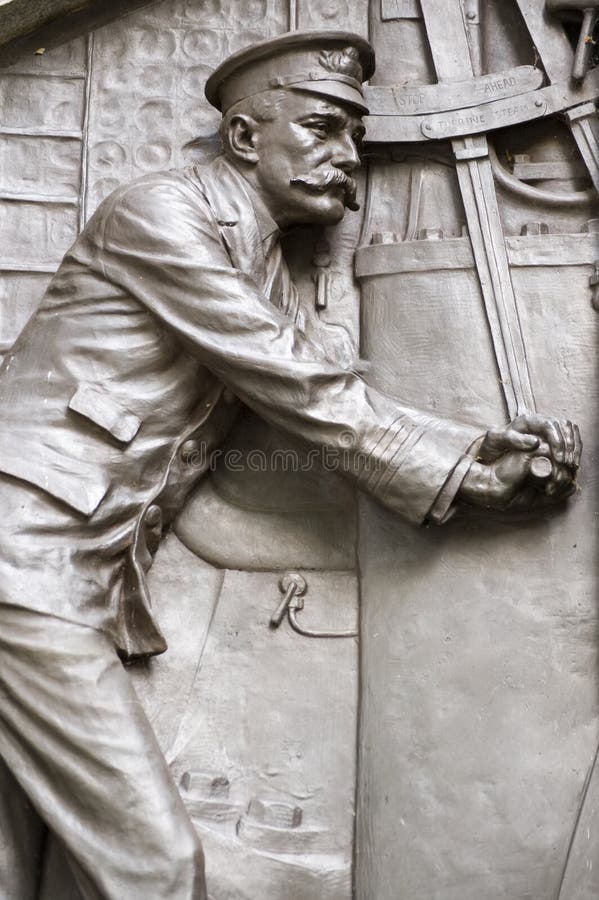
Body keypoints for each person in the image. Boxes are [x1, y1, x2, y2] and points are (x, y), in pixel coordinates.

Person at [0, 29, 581, 900]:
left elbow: (323, 386)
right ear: (243, 138)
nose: (347, 157)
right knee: (155, 868)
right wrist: (458, 470)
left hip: (62, 575)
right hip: (25, 569)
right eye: (321, 128)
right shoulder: (161, 214)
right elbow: (294, 380)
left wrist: (477, 447)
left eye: (353, 136)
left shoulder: (260, 258)